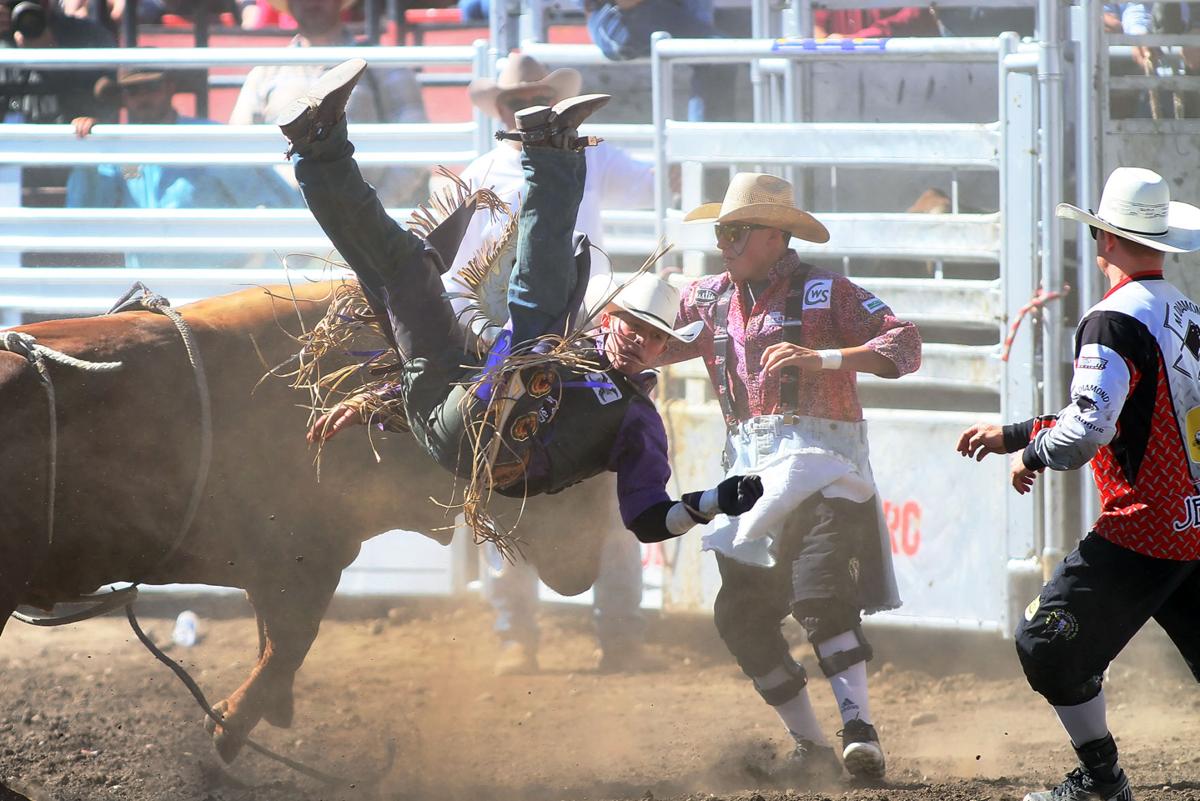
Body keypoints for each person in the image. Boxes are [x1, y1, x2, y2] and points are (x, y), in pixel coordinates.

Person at [281, 59, 764, 574]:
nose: (636, 340)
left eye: (650, 337)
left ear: (662, 353)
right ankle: (319, 144)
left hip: (494, 449)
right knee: (407, 270)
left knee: (534, 333)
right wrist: (376, 403)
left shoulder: (635, 418)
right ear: (608, 319)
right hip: (444, 400)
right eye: (632, 324)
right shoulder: (578, 346)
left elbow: (647, 518)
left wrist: (712, 502)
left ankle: (550, 152)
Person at [656, 172, 922, 784]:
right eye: (721, 230)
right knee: (741, 617)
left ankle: (860, 730)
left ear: (775, 237)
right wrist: (627, 343)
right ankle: (811, 746)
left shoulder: (828, 294)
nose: (723, 240)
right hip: (751, 482)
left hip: (825, 473)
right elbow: (662, 342)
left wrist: (824, 357)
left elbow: (904, 345)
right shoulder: (706, 298)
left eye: (735, 229)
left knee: (819, 593)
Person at [955, 167, 1200, 801]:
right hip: (1195, 524)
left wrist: (1034, 450)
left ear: (1106, 240)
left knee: (1046, 642)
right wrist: (1017, 436)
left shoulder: (1111, 321)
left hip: (1146, 527)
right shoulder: (1185, 313)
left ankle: (1102, 782)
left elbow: (1091, 429)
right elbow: (1130, 417)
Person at [455, 52, 657, 676]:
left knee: (616, 473)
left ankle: (616, 635)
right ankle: (520, 633)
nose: (529, 111)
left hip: (590, 338)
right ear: (501, 112)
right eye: (520, 103)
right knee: (502, 479)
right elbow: (456, 276)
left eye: (539, 100)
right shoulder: (479, 178)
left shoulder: (588, 153)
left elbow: (656, 183)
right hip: (518, 343)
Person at [65, 67, 303, 269]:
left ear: (169, 88)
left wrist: (258, 260)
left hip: (217, 282)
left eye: (151, 87)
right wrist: (90, 150)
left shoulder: (209, 139)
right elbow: (86, 210)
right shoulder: (116, 147)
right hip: (150, 286)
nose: (143, 97)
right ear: (123, 97)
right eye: (133, 90)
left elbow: (270, 201)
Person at [229, 0, 428, 207]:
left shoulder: (381, 64)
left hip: (364, 219)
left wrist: (373, 214)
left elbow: (416, 147)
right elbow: (238, 149)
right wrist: (272, 212)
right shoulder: (266, 71)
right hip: (286, 222)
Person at [584, 0, 735, 121]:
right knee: (720, 53)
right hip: (620, 19)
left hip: (662, 14)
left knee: (721, 54)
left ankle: (709, 149)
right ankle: (706, 150)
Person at [0, 0, 116, 125]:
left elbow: (107, 100)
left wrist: (51, 58)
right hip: (10, 140)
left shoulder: (89, 35)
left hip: (67, 139)